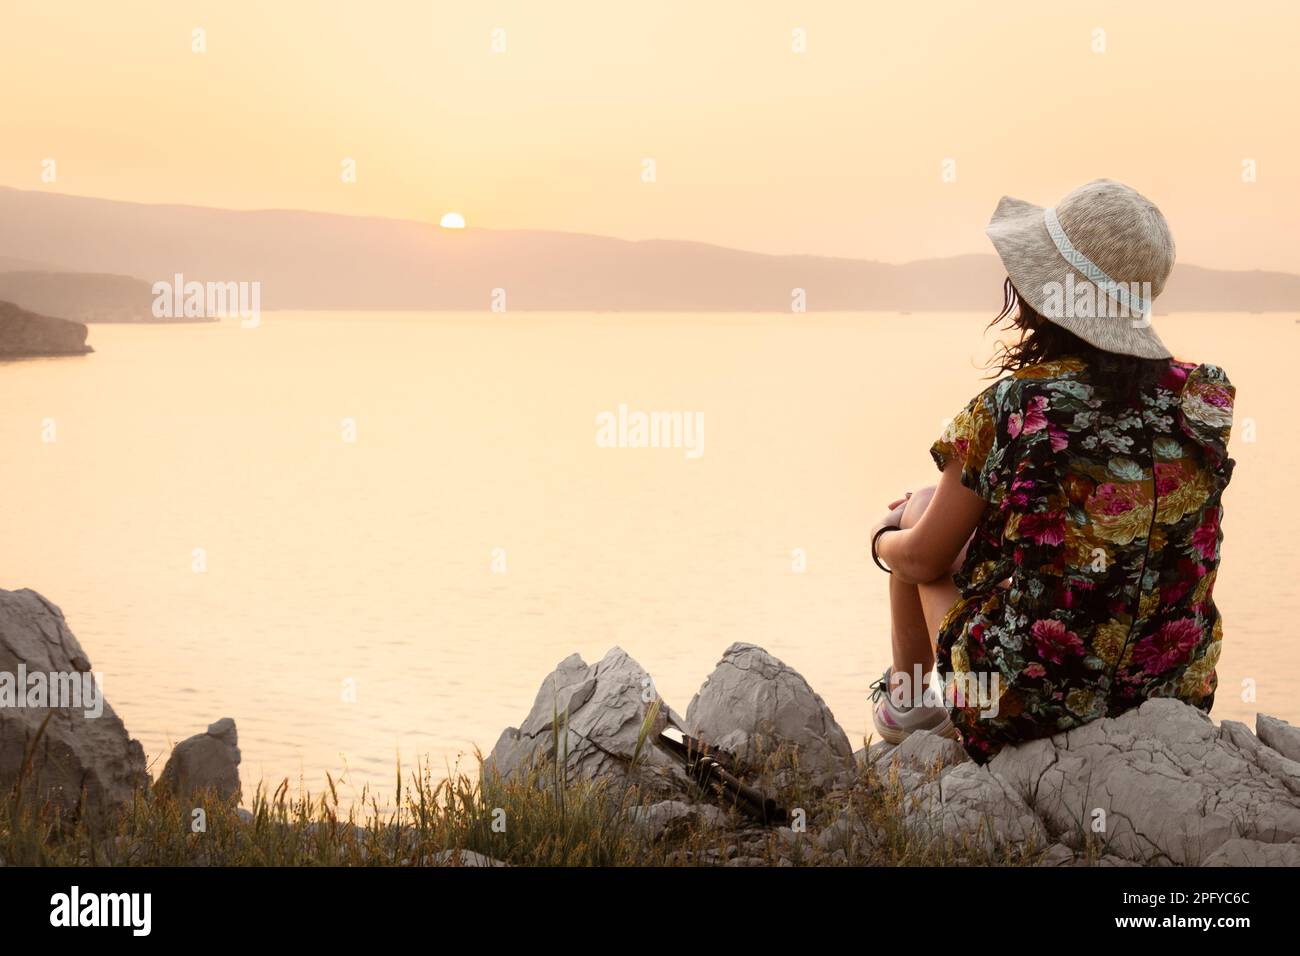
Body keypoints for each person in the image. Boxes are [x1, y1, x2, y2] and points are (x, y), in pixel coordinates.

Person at [868, 180, 1236, 763]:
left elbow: (922, 561)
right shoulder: (1200, 399)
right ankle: (913, 697)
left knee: (914, 524)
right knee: (951, 523)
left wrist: (882, 538)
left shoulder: (1018, 405)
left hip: (1023, 702)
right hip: (1171, 687)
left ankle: (909, 704)